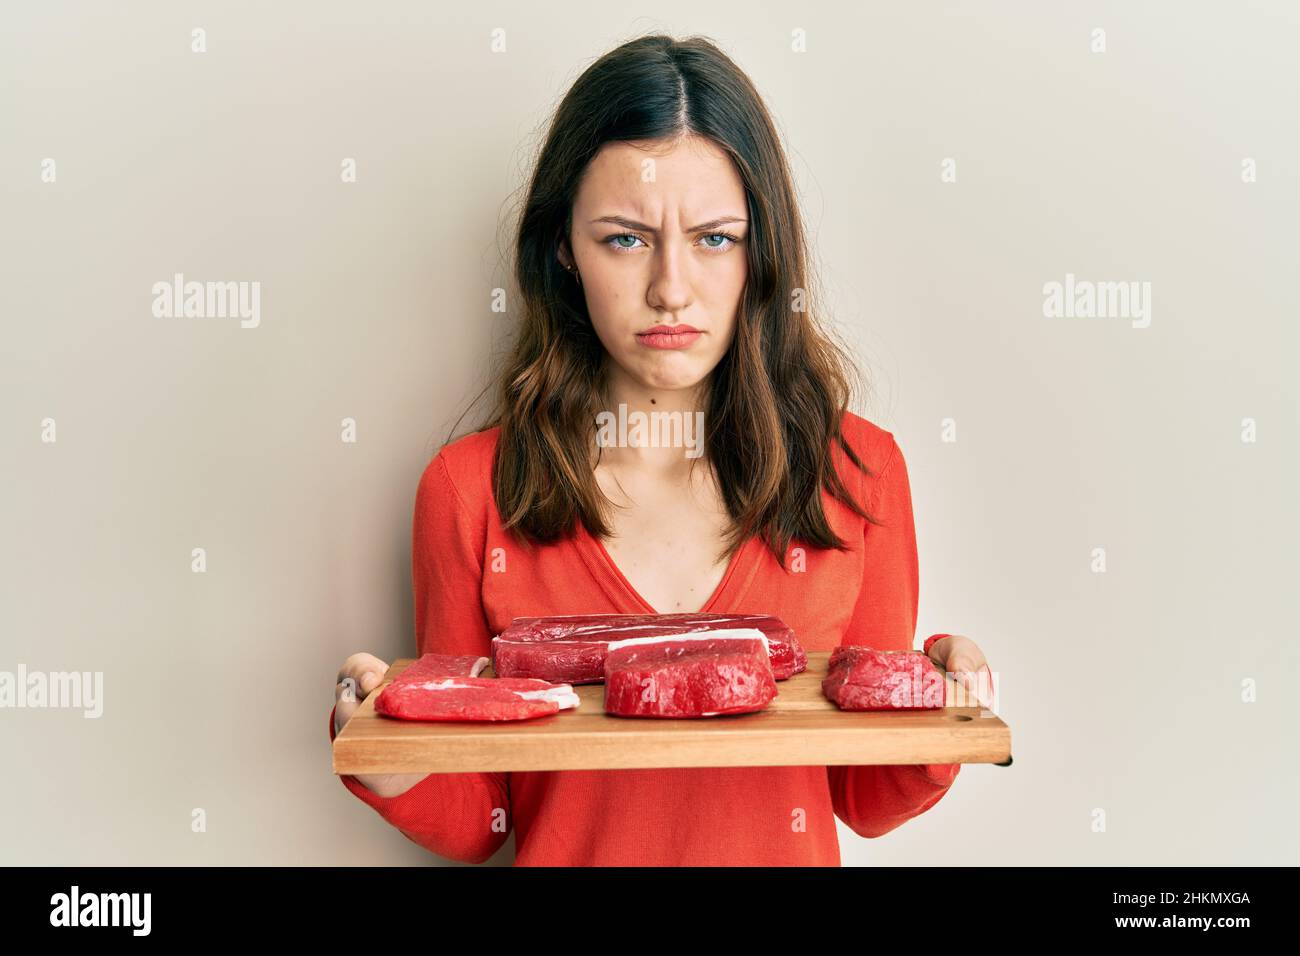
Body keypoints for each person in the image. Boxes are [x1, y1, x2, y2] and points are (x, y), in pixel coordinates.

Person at [330, 33, 995, 866]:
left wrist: (942, 714)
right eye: (625, 239)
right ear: (562, 250)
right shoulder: (469, 492)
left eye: (715, 238)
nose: (670, 288)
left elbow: (865, 797)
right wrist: (387, 755)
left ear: (762, 254)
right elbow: (480, 818)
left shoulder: (858, 476)